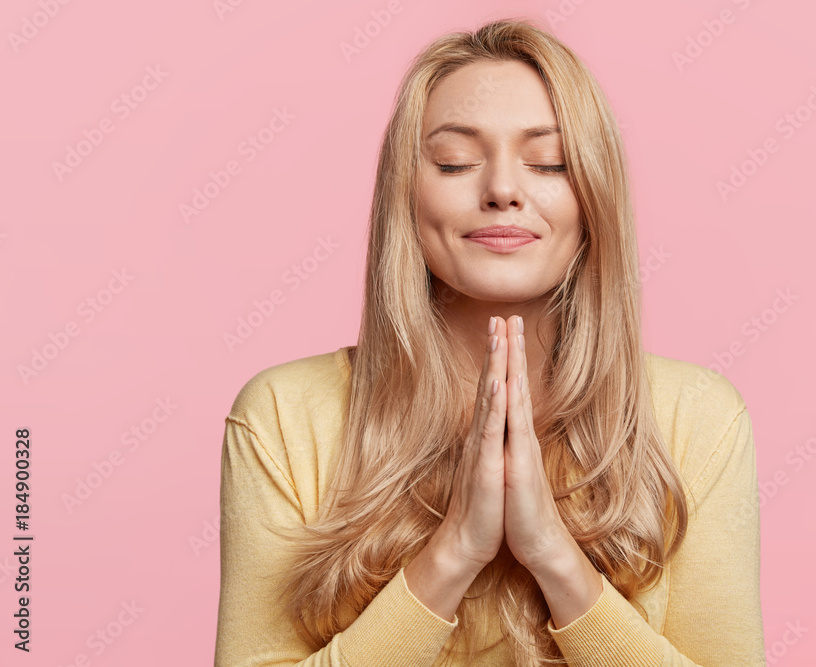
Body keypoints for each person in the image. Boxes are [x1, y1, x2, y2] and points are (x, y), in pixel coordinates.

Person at [214, 17, 765, 667]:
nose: (502, 189)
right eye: (455, 161)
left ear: (593, 197)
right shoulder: (285, 415)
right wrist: (454, 552)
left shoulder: (696, 417)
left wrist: (555, 558)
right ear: (406, 195)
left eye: (548, 162)